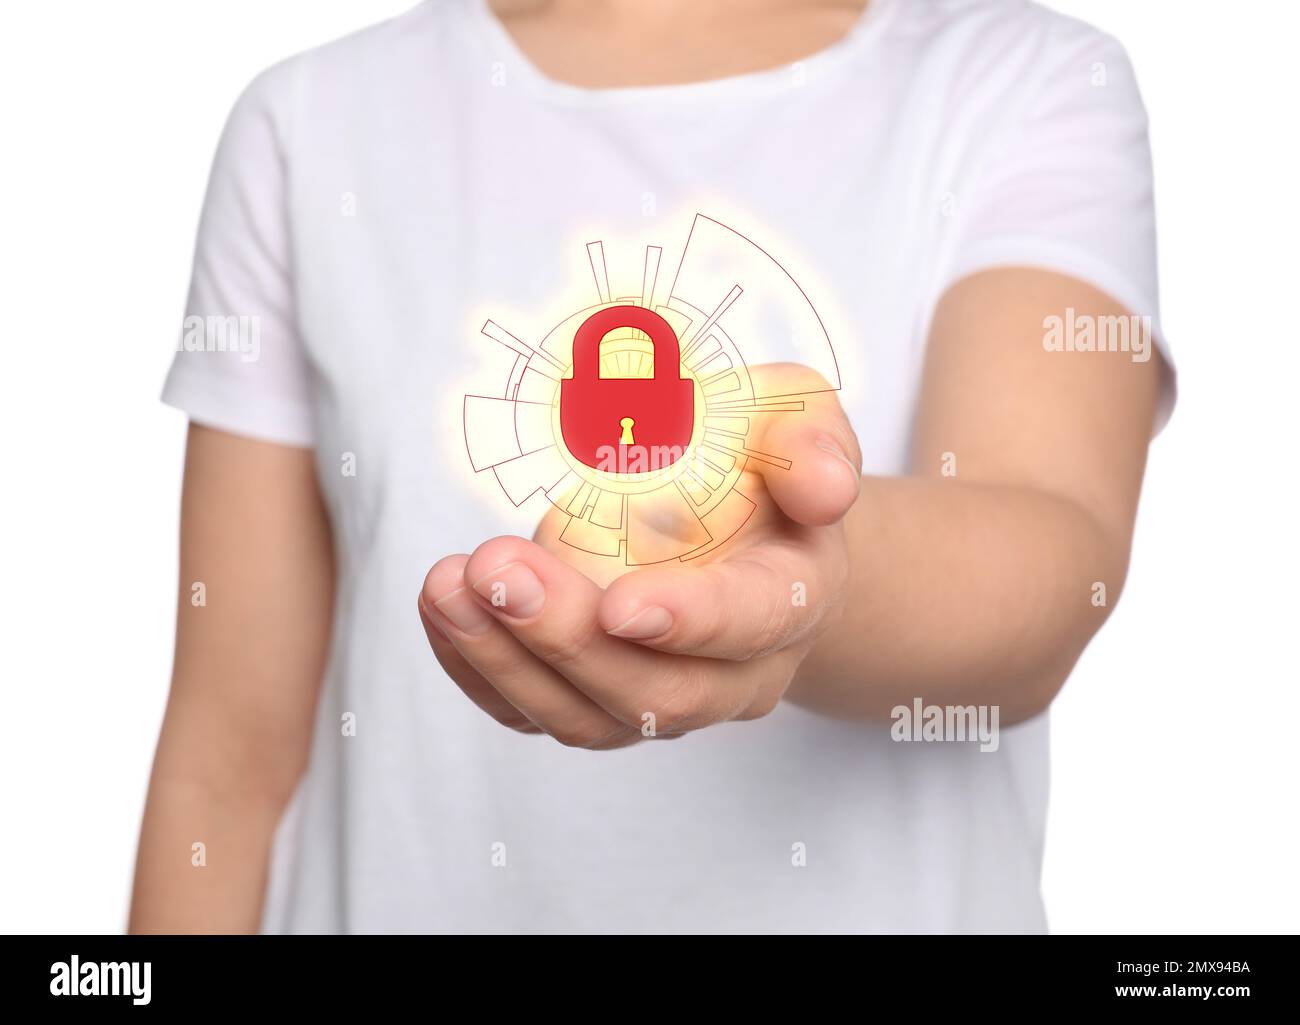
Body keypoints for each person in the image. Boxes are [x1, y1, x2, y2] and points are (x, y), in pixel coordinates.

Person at [131, 0, 1174, 934]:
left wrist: (813, 571)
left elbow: (1048, 549)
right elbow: (229, 756)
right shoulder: (312, 121)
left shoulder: (1024, 79)